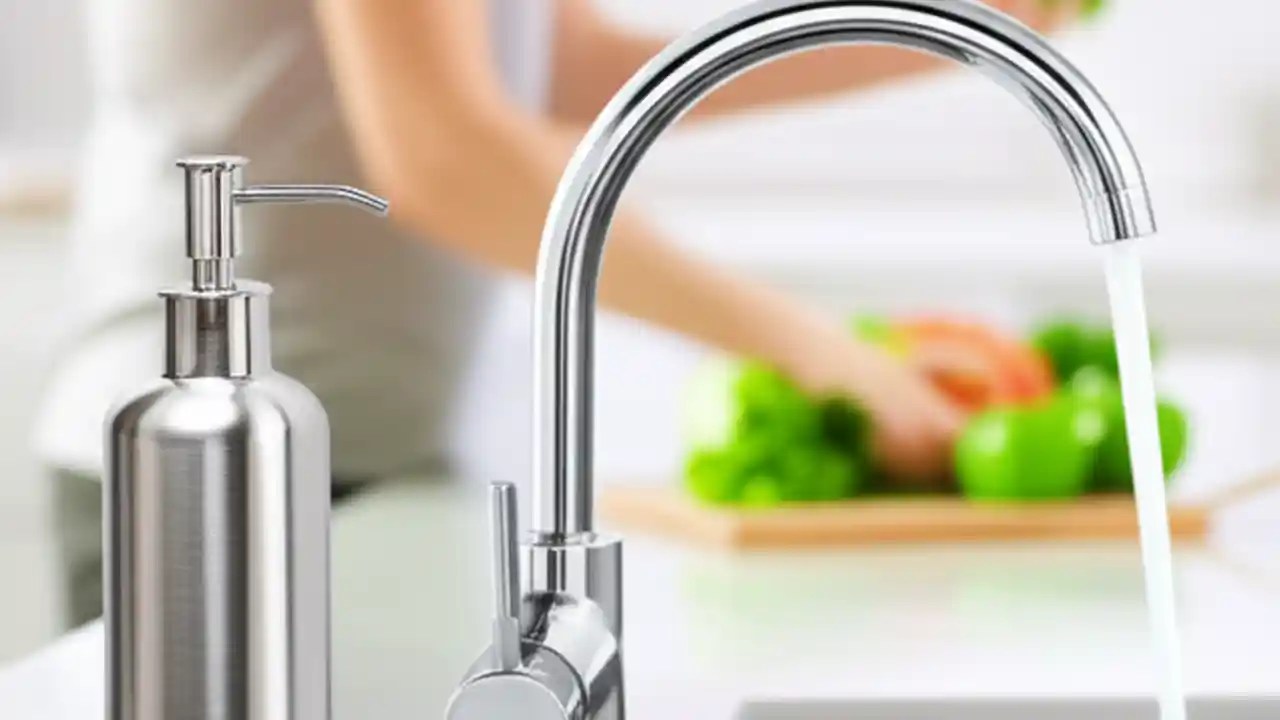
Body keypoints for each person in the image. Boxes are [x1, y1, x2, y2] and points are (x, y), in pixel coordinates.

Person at [36, 0, 1079, 626]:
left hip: (381, 440)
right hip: (211, 464)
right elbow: (442, 155)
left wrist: (939, 25)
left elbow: (557, 71)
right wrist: (808, 346)